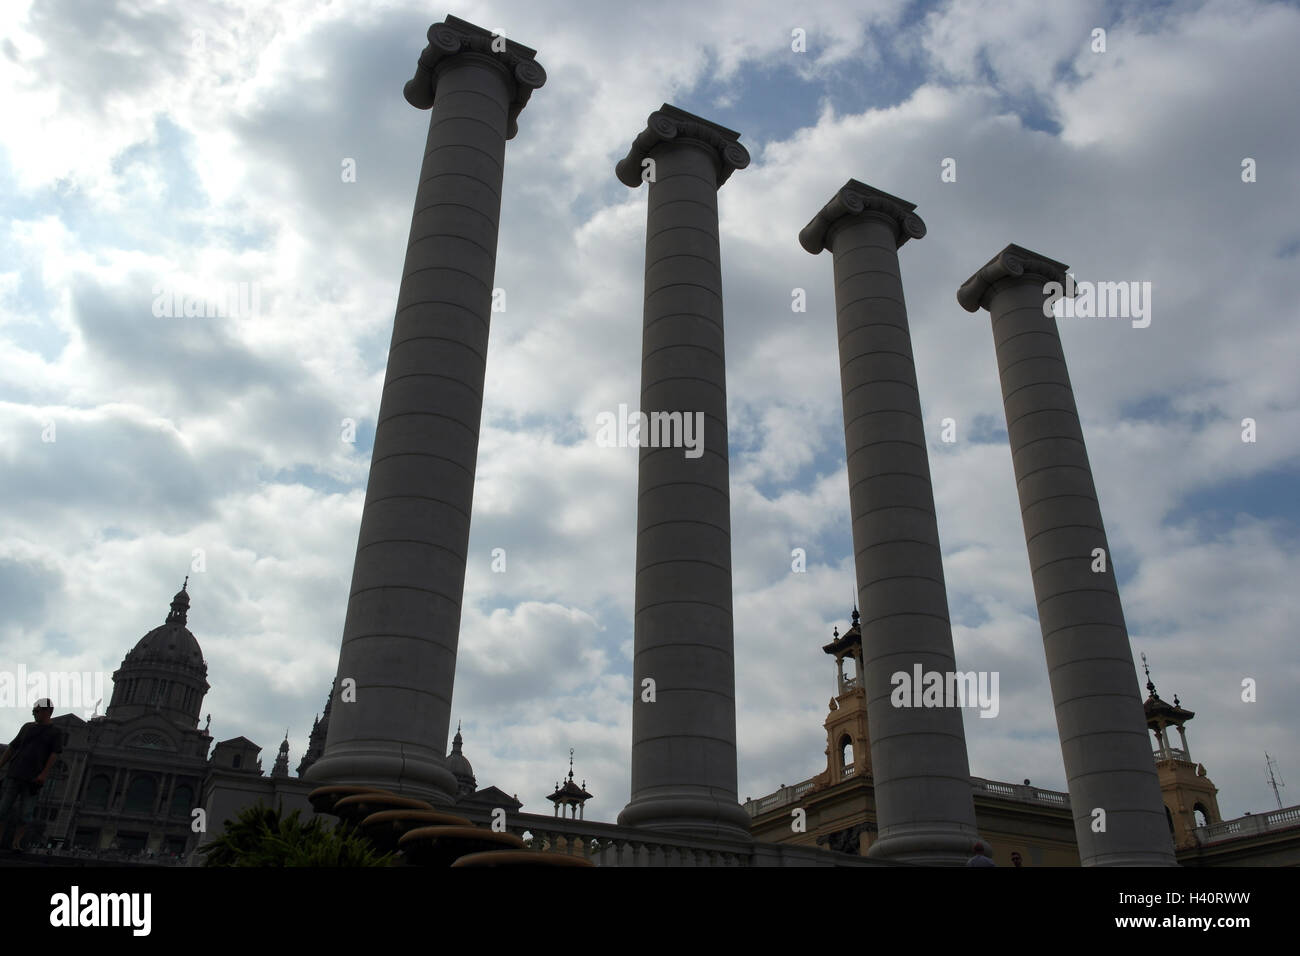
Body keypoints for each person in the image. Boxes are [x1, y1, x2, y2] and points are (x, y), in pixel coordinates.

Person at [0, 698, 64, 853]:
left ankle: (16, 844)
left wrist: (44, 774)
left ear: (46, 712)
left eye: (36, 711)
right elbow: (12, 748)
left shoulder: (56, 732)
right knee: (2, 810)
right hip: (14, 774)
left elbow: (54, 755)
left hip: (33, 779)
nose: (34, 713)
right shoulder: (27, 727)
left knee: (25, 814)